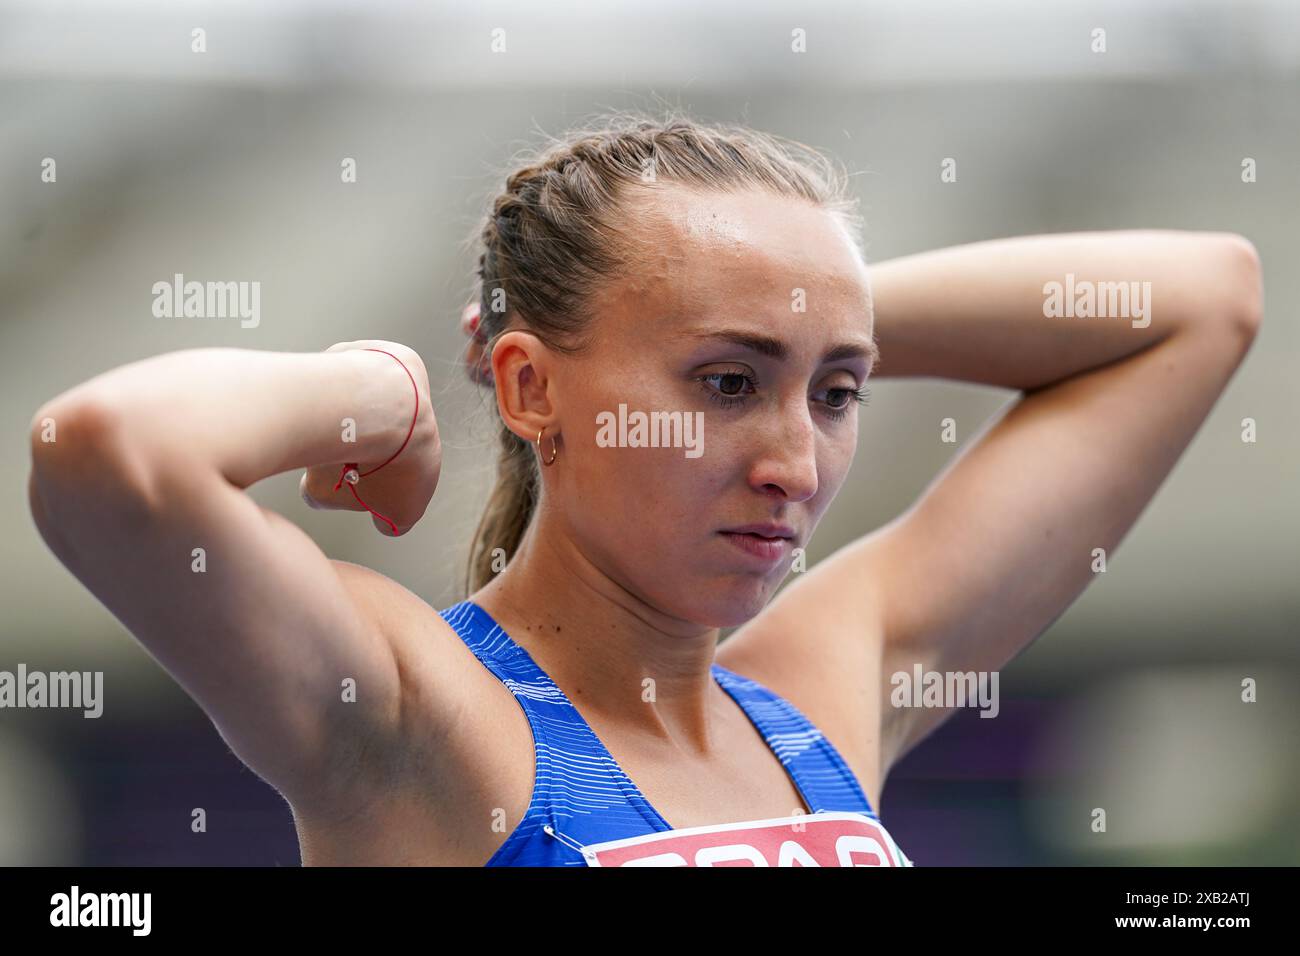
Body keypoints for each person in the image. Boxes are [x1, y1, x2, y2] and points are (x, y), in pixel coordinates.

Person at [26, 112, 1263, 866]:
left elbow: (1205, 297)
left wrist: (802, 308)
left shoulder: (817, 696)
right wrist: (382, 389)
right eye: (726, 382)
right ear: (529, 386)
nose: (794, 463)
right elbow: (103, 448)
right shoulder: (423, 716)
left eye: (836, 393)